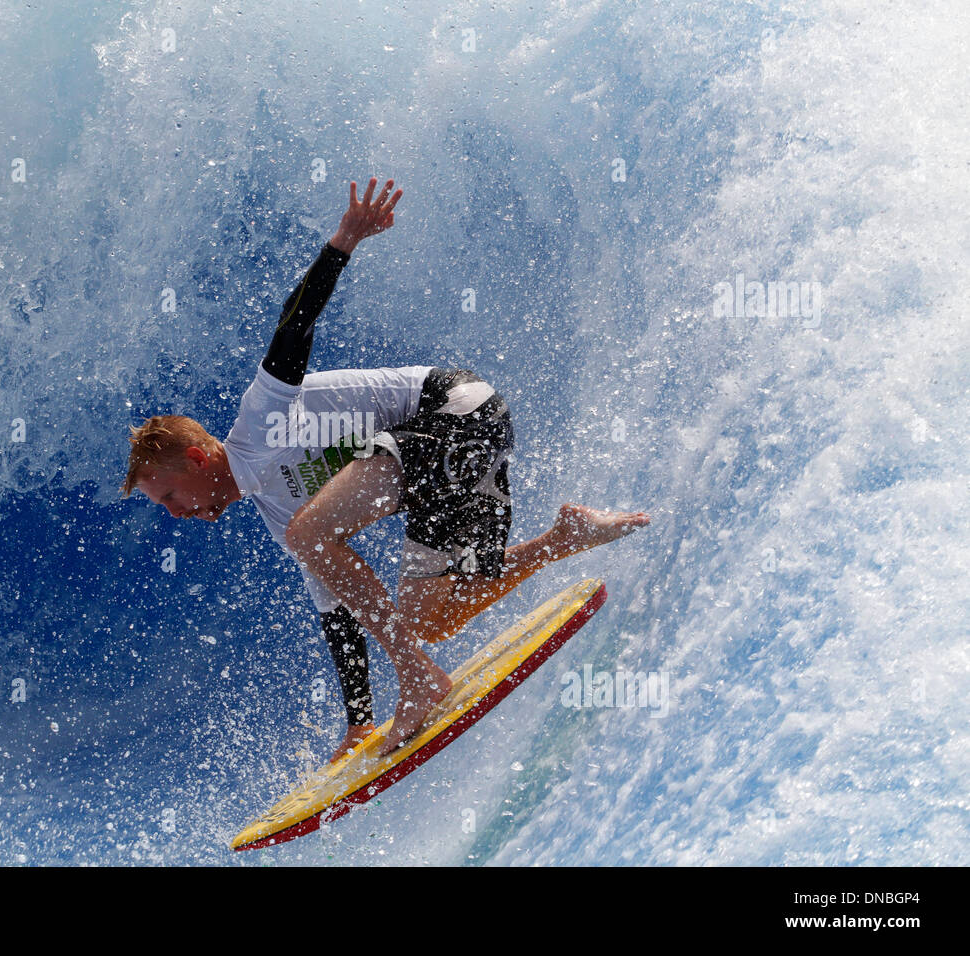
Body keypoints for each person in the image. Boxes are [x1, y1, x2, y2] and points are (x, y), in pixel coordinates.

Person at [121, 178, 649, 761]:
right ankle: (562, 538)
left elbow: (292, 331)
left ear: (197, 459)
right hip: (452, 455)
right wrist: (359, 722)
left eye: (169, 495)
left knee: (312, 538)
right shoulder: (278, 510)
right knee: (427, 618)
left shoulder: (257, 424)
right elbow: (337, 606)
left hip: (458, 409)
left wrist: (344, 240)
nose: (175, 514)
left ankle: (421, 681)